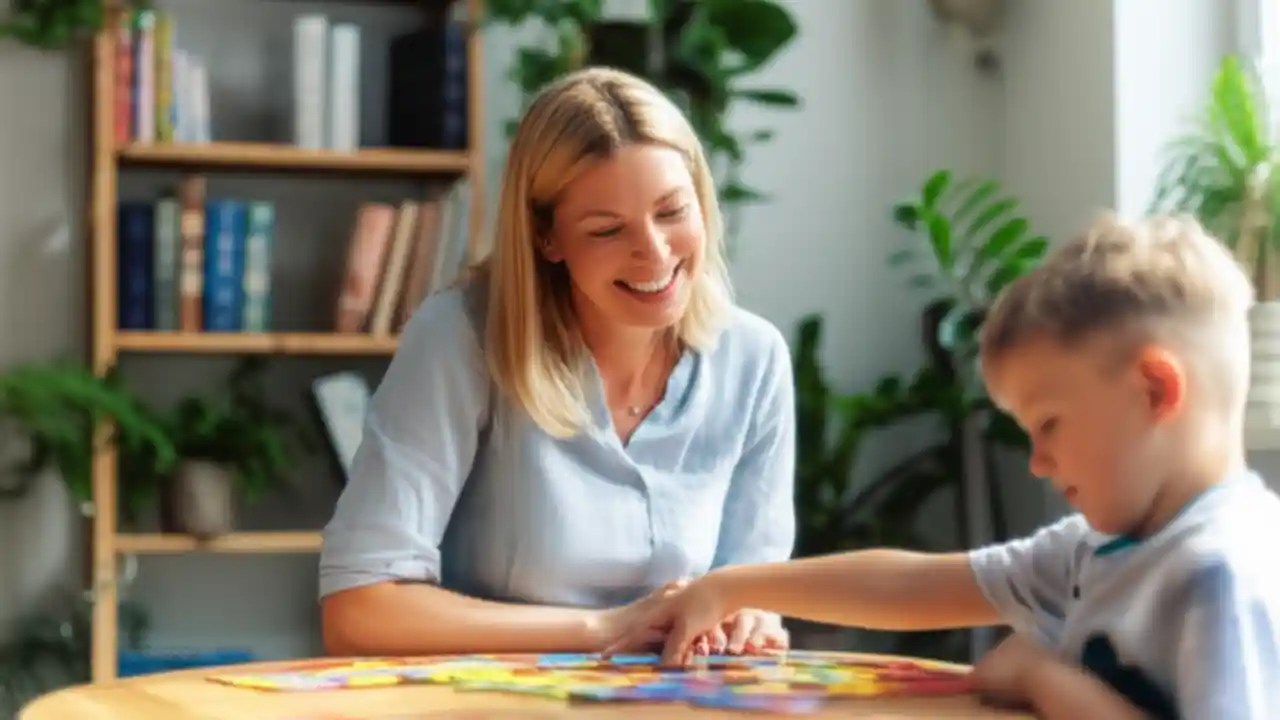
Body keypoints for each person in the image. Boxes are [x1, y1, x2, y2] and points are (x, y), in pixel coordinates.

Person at [605, 214, 1280, 719]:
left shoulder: (1218, 573)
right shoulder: (1098, 551)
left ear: (1155, 390)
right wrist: (731, 586)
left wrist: (1048, 680)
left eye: (1048, 425)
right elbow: (915, 584)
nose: (1039, 462)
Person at [318, 67, 797, 658]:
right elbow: (360, 608)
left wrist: (747, 619)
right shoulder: (460, 338)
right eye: (607, 229)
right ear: (548, 239)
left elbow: (751, 591)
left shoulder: (754, 359)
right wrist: (605, 629)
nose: (654, 251)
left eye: (673, 211)